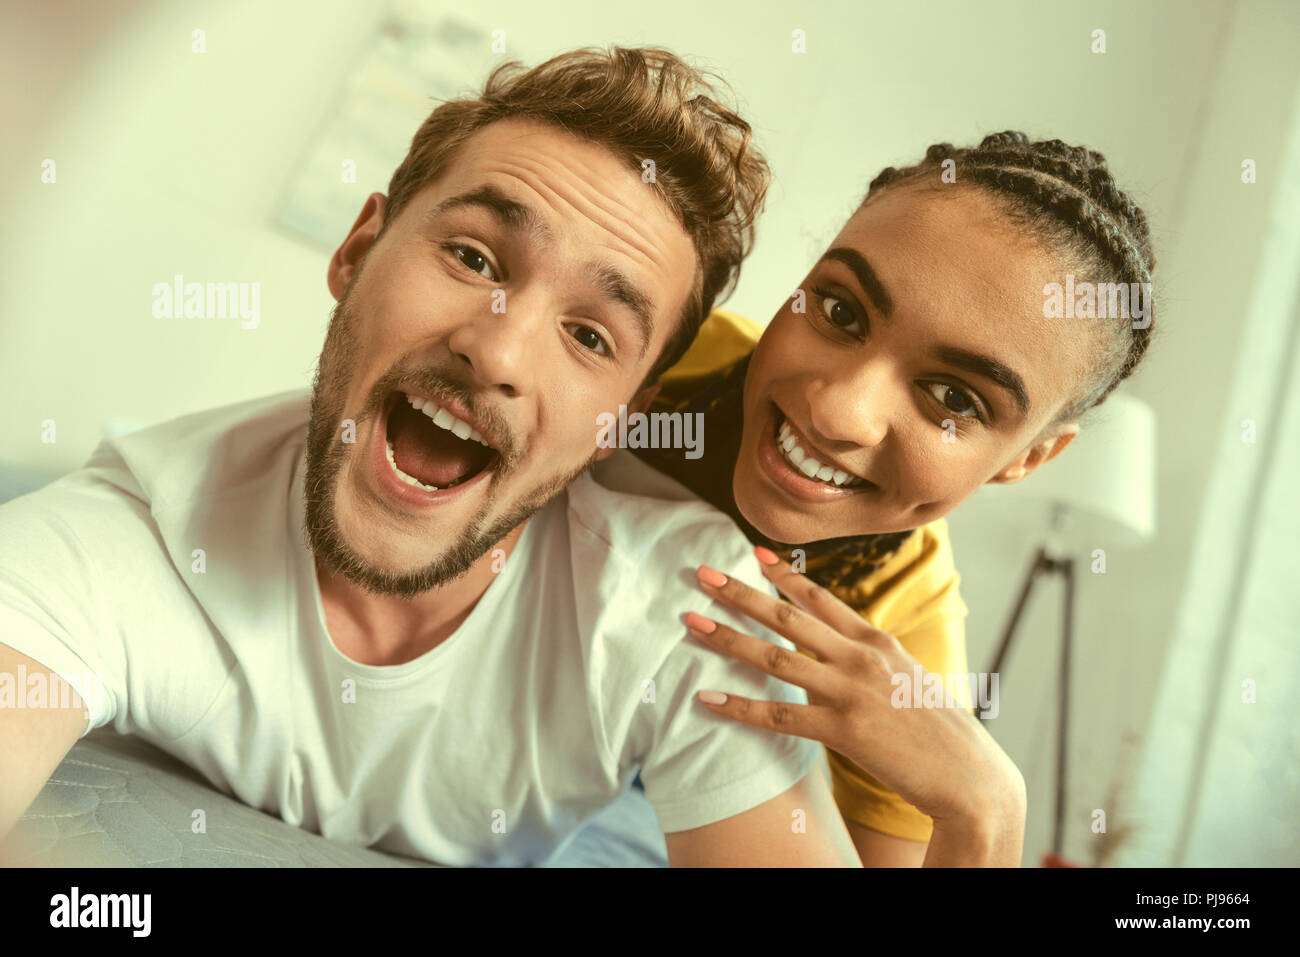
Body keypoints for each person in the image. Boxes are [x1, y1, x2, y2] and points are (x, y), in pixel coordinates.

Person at [0, 47, 869, 867]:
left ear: (620, 420)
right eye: (472, 256)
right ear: (357, 251)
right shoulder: (129, 537)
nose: (497, 353)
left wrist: (985, 828)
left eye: (589, 335)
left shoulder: (688, 608)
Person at [613, 132, 1158, 866]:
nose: (841, 412)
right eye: (840, 311)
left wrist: (987, 808)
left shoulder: (907, 640)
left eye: (954, 397)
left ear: (1030, 456)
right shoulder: (642, 352)